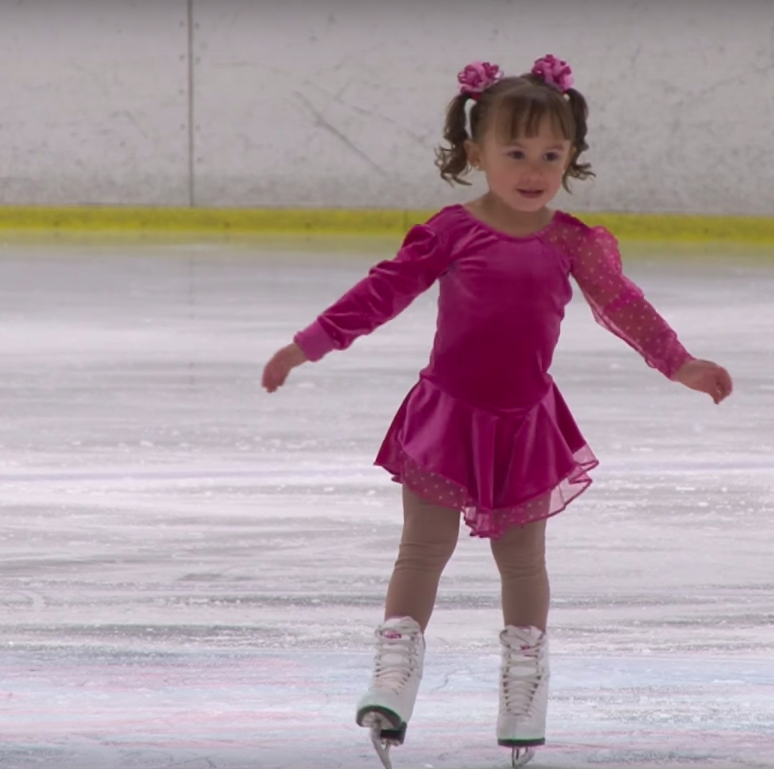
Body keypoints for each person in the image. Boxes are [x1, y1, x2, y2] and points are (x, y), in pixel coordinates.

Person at [262, 55, 733, 768]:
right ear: (475, 151)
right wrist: (309, 345)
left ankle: (523, 682)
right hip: (446, 413)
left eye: (551, 152)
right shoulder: (452, 231)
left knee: (523, 560)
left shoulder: (574, 241)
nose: (534, 167)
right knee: (423, 549)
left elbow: (625, 308)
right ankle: (394, 674)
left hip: (526, 421)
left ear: (572, 155)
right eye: (515, 151)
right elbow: (381, 292)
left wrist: (680, 362)